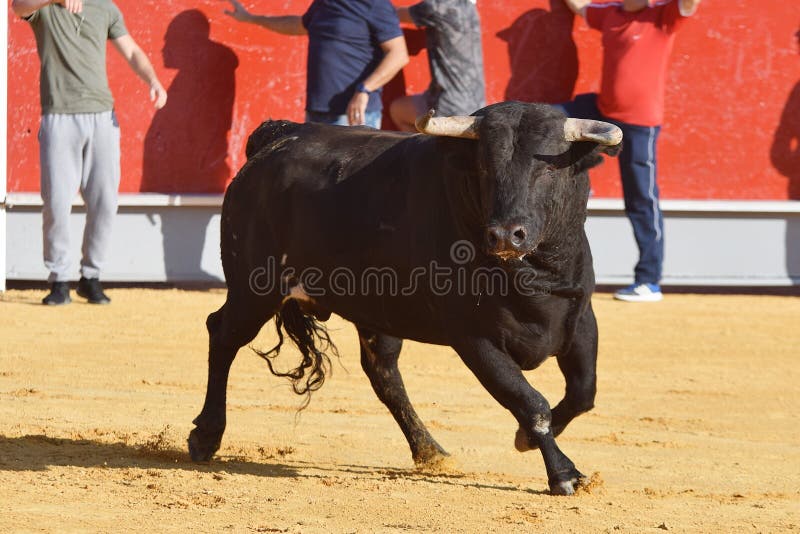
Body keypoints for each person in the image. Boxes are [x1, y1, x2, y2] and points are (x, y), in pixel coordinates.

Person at [12, 0, 168, 306]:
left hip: (102, 117)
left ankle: (91, 277)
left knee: (105, 202)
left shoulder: (105, 8)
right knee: (56, 202)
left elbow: (133, 51)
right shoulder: (44, 9)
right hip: (59, 115)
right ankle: (59, 280)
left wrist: (152, 79)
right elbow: (17, 7)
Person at [559, 0, 701, 302]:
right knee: (549, 120)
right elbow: (580, 7)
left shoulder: (663, 15)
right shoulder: (610, 13)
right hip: (602, 111)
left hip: (640, 124)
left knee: (641, 198)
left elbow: (690, 3)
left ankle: (649, 281)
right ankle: (576, 180)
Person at [222, 0, 409, 129]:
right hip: (317, 114)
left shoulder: (374, 4)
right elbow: (299, 25)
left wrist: (364, 90)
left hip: (352, 117)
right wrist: (252, 19)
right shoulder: (324, 3)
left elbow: (399, 54)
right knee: (319, 185)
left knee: (352, 185)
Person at [389, 0, 486, 131]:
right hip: (477, 103)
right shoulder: (469, 8)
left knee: (397, 111)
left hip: (449, 103)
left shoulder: (438, 7)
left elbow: (394, 14)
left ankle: (422, 149)